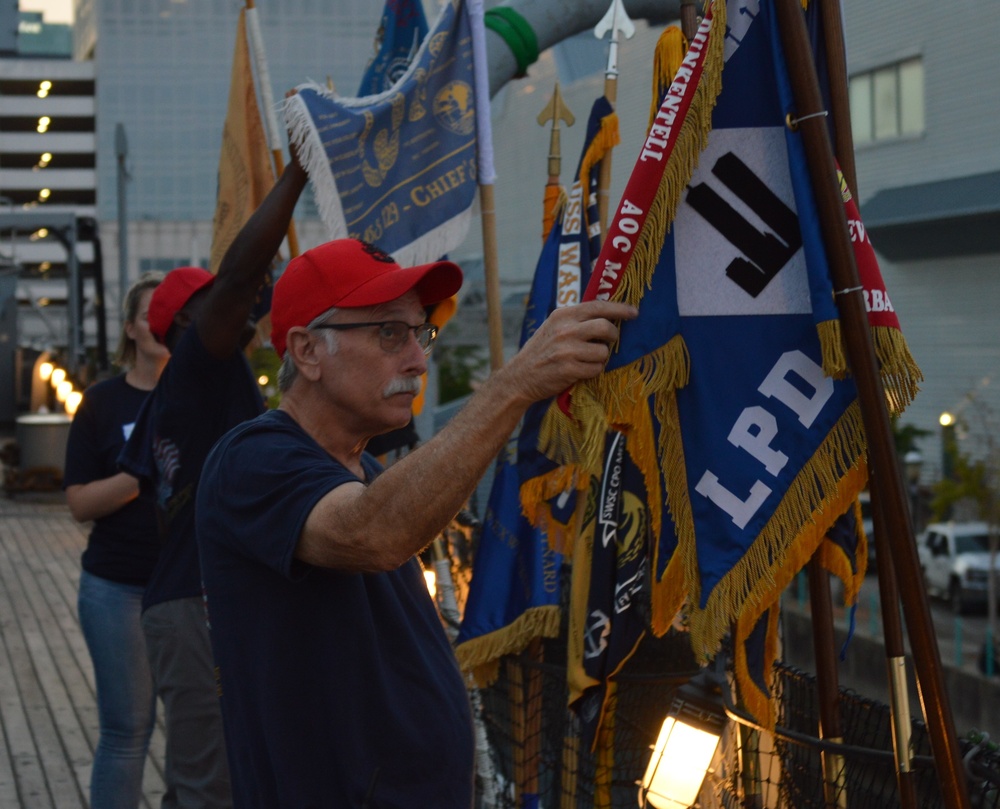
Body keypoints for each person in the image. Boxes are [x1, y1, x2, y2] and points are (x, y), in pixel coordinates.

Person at [195, 238, 636, 808]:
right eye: (388, 334)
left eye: (418, 333)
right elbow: (372, 534)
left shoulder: (365, 467)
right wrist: (514, 385)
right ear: (307, 352)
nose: (417, 358)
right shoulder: (252, 459)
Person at [118, 148, 307, 808]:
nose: (249, 297)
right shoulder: (197, 367)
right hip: (193, 608)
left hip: (199, 602)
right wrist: (296, 176)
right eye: (226, 297)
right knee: (207, 788)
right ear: (191, 323)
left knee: (228, 775)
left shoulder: (185, 393)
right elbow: (241, 277)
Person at [63, 272, 170, 809]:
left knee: (206, 731)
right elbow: (80, 503)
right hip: (116, 589)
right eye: (150, 312)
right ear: (131, 328)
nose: (161, 322)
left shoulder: (204, 399)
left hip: (190, 589)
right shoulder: (102, 403)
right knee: (127, 732)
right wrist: (138, 476)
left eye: (172, 312)